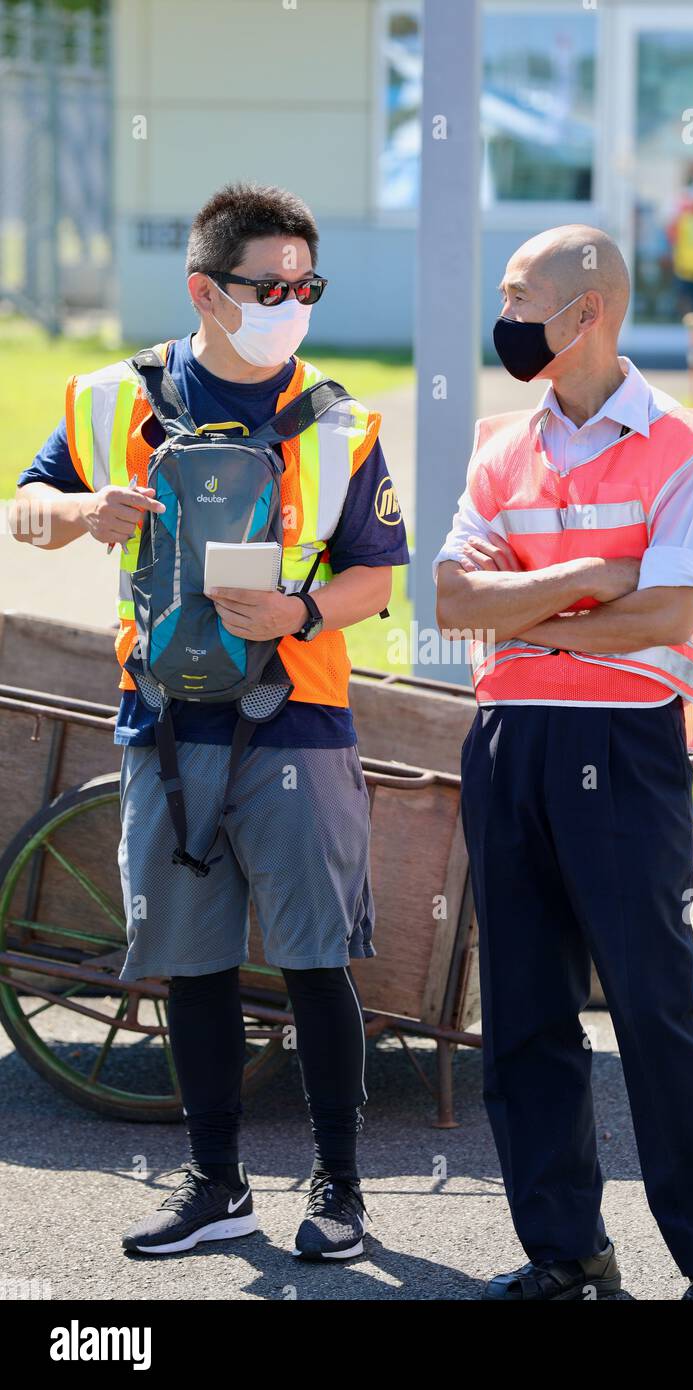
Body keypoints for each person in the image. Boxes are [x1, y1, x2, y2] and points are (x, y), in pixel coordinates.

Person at [12, 182, 409, 1260]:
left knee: (316, 960)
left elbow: (377, 580)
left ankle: (339, 1188)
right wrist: (81, 511)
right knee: (192, 965)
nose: (292, 301)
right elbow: (23, 508)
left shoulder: (336, 420)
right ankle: (216, 1184)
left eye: (305, 285)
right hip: (164, 721)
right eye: (269, 285)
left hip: (299, 721)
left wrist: (297, 610)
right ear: (205, 289)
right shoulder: (114, 402)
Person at [434, 224, 693, 1302]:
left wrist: (529, 614)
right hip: (507, 744)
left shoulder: (686, 447)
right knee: (523, 1009)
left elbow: (670, 609)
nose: (504, 314)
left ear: (588, 313)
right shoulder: (498, 446)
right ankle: (565, 1255)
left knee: (652, 1004)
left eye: (520, 295)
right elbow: (450, 601)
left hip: (620, 744)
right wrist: (591, 580)